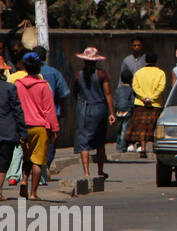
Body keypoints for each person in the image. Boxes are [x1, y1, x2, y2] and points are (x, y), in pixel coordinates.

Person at [15, 53, 58, 200]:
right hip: (40, 127)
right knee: (38, 161)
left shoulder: (18, 84)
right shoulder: (43, 86)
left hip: (23, 126)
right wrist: (55, 129)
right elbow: (49, 109)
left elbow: (16, 107)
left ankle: (24, 180)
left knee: (26, 157)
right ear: (39, 67)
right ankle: (33, 193)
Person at [72, 47, 114, 182]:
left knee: (84, 141)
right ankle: (100, 171)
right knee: (100, 141)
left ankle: (86, 172)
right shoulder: (102, 74)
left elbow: (75, 93)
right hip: (99, 108)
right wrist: (111, 112)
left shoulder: (78, 75)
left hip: (83, 109)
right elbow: (108, 94)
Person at [31, 46, 70, 182]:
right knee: (50, 141)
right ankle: (44, 165)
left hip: (32, 114)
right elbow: (63, 93)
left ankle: (37, 168)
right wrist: (63, 110)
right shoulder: (54, 73)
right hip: (52, 113)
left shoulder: (27, 74)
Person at [128, 51, 167, 160]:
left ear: (145, 61)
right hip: (155, 104)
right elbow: (161, 88)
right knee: (155, 126)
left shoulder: (138, 73)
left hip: (141, 103)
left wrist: (144, 98)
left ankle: (143, 148)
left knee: (142, 127)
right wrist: (152, 98)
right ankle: (157, 148)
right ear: (156, 61)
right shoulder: (161, 73)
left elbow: (135, 87)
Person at [0, 70, 23, 199]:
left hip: (6, 131)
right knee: (3, 162)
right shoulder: (9, 88)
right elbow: (17, 111)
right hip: (6, 132)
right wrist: (23, 131)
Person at [113, 68, 134, 154]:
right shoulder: (131, 90)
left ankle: (118, 145)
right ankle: (122, 146)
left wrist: (115, 111)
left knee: (119, 129)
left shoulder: (118, 90)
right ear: (131, 79)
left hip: (118, 111)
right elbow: (132, 102)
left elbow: (115, 102)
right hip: (127, 111)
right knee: (125, 129)